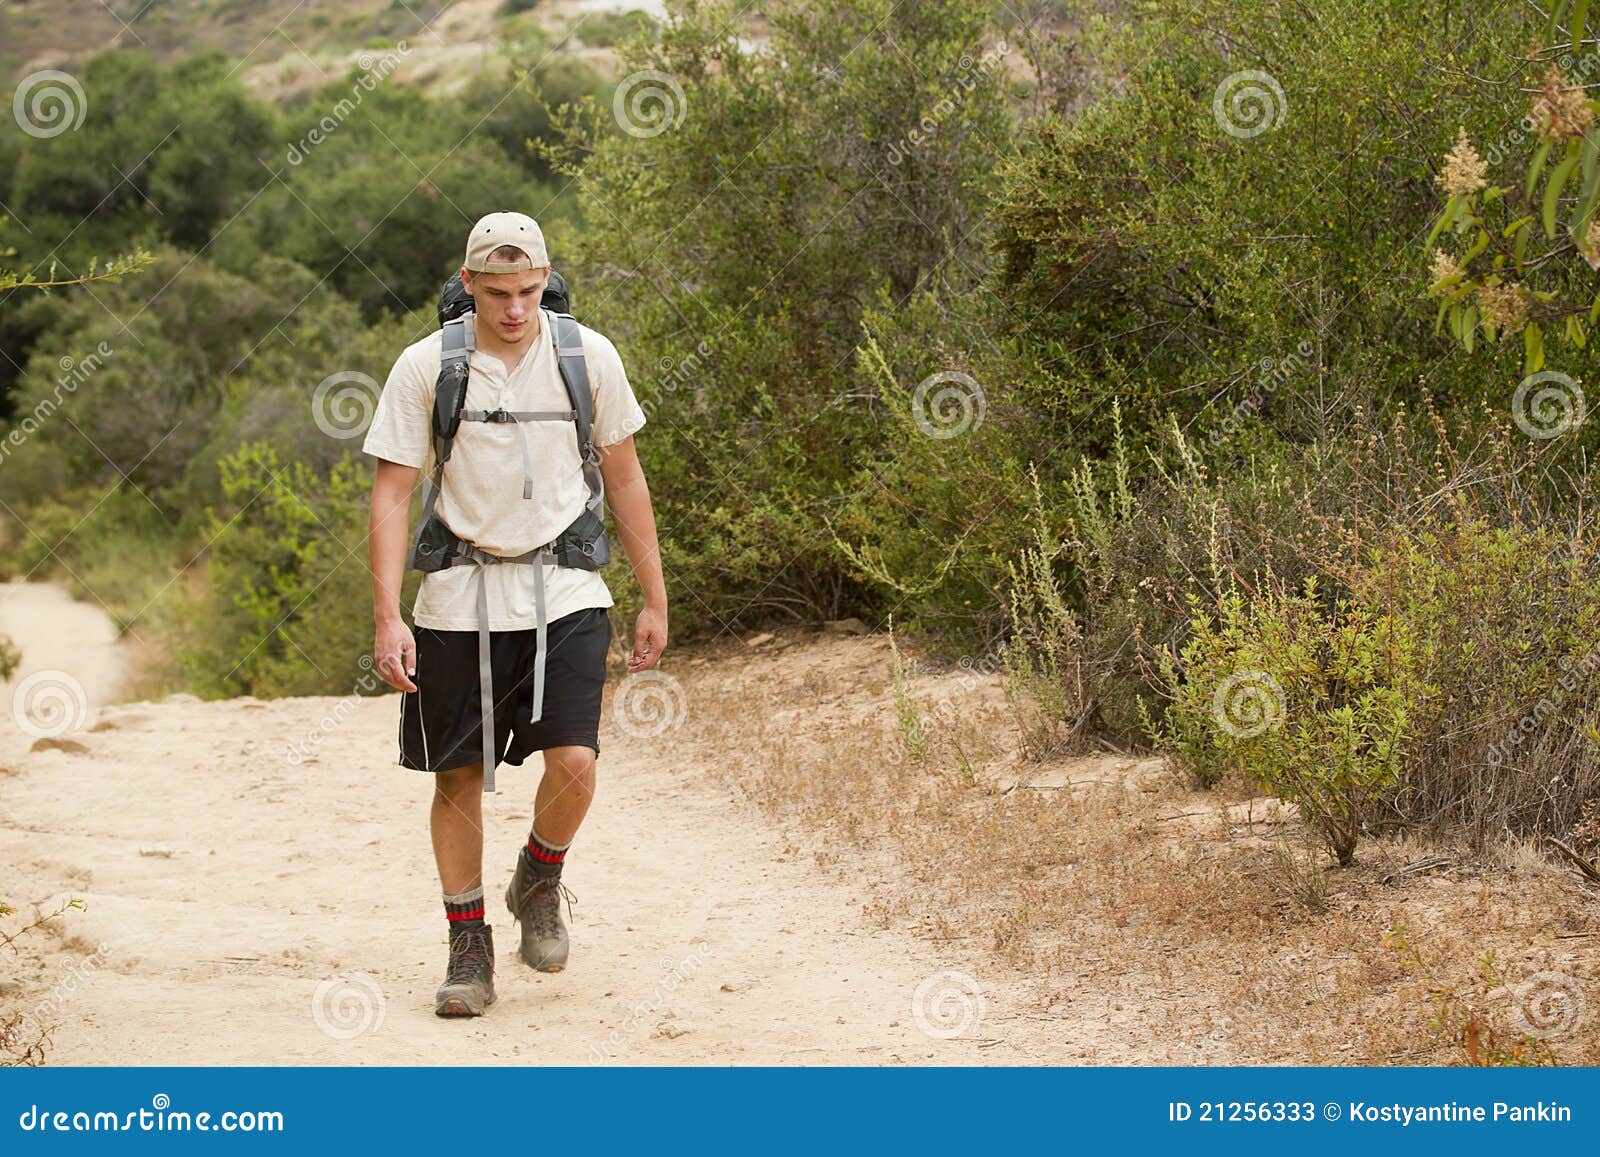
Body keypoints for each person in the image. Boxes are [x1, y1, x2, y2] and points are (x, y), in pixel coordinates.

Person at [362, 211, 668, 1017]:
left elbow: (627, 479)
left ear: (546, 281)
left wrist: (655, 596)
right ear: (468, 284)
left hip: (564, 591)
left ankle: (540, 872)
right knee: (457, 777)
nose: (513, 309)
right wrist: (388, 615)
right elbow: (393, 493)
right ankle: (469, 946)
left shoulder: (586, 356)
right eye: (496, 293)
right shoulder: (426, 366)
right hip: (457, 599)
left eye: (528, 291)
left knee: (575, 762)